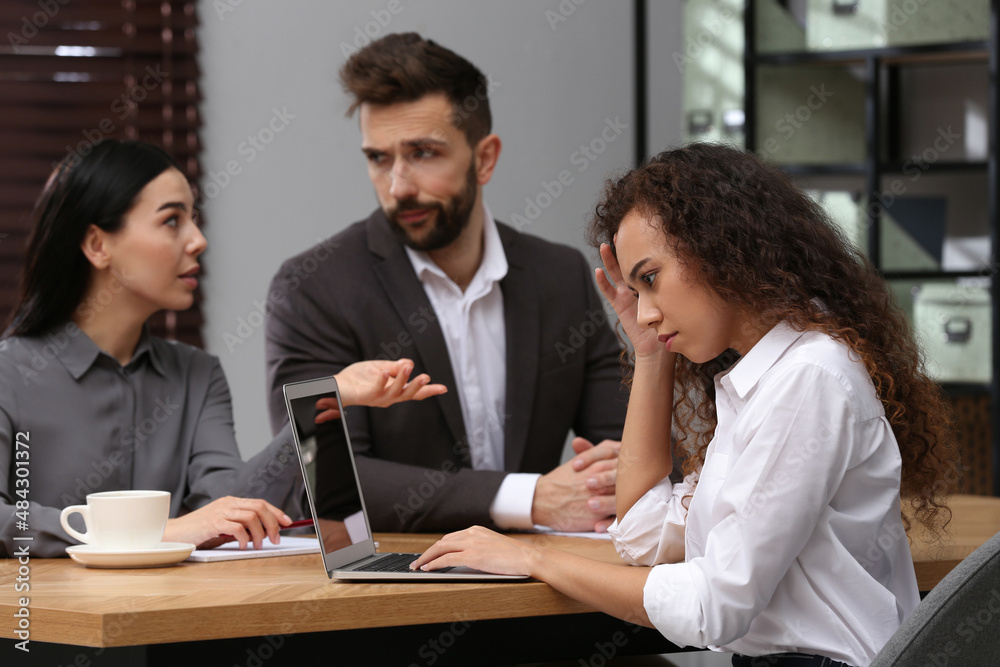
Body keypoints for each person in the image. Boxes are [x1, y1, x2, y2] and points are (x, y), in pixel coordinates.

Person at [412, 143, 957, 667]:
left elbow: (712, 608)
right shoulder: (762, 380)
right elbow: (643, 533)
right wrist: (650, 358)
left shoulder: (806, 379)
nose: (644, 311)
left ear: (723, 247)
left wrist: (532, 558)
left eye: (651, 279)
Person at [0, 139, 444, 558]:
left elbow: (229, 510)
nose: (198, 240)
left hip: (176, 627)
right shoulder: (9, 373)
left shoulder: (197, 374)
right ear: (98, 245)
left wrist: (327, 396)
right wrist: (158, 533)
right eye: (172, 220)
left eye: (193, 218)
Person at [264, 32, 628, 534]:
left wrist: (613, 477)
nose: (398, 186)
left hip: (544, 596)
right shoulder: (314, 288)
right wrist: (529, 499)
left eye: (423, 153)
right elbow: (322, 476)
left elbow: (628, 448)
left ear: (484, 158)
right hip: (395, 602)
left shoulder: (560, 276)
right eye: (379, 158)